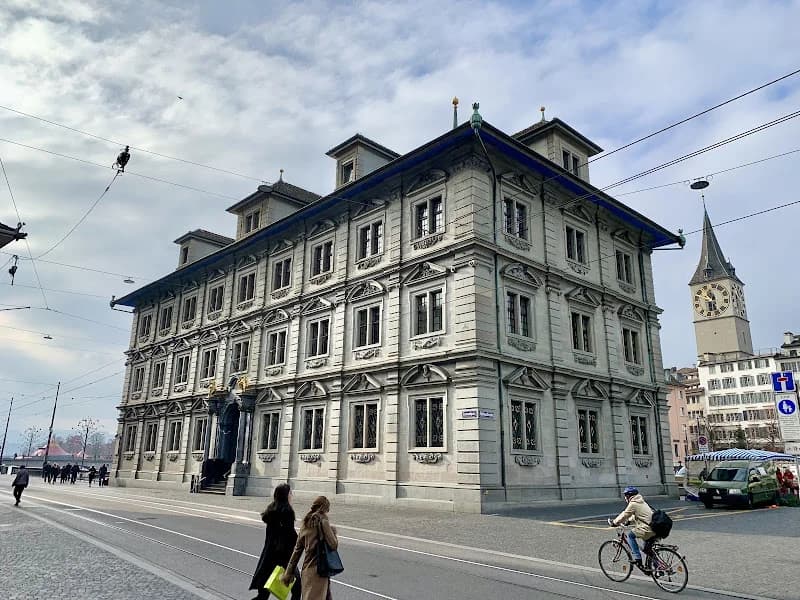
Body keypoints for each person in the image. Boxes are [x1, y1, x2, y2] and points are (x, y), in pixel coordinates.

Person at [249, 484, 301, 600]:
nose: (291, 496)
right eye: (290, 493)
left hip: (270, 554)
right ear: (285, 496)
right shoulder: (287, 512)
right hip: (284, 556)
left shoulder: (272, 509)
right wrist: (302, 542)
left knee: (263, 593)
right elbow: (291, 535)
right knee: (297, 589)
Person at [282, 496, 338, 600]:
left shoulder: (305, 525)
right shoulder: (324, 523)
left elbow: (297, 551)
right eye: (327, 509)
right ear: (324, 508)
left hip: (307, 572)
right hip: (320, 572)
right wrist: (332, 531)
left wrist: (288, 573)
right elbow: (333, 545)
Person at [608, 486, 655, 573]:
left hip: (647, 528)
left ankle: (638, 558)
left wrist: (614, 523)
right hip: (654, 527)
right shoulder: (641, 501)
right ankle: (657, 566)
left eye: (625, 496)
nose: (625, 498)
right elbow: (638, 515)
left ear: (629, 496)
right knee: (647, 549)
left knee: (630, 535)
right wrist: (629, 521)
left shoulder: (633, 503)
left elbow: (625, 514)